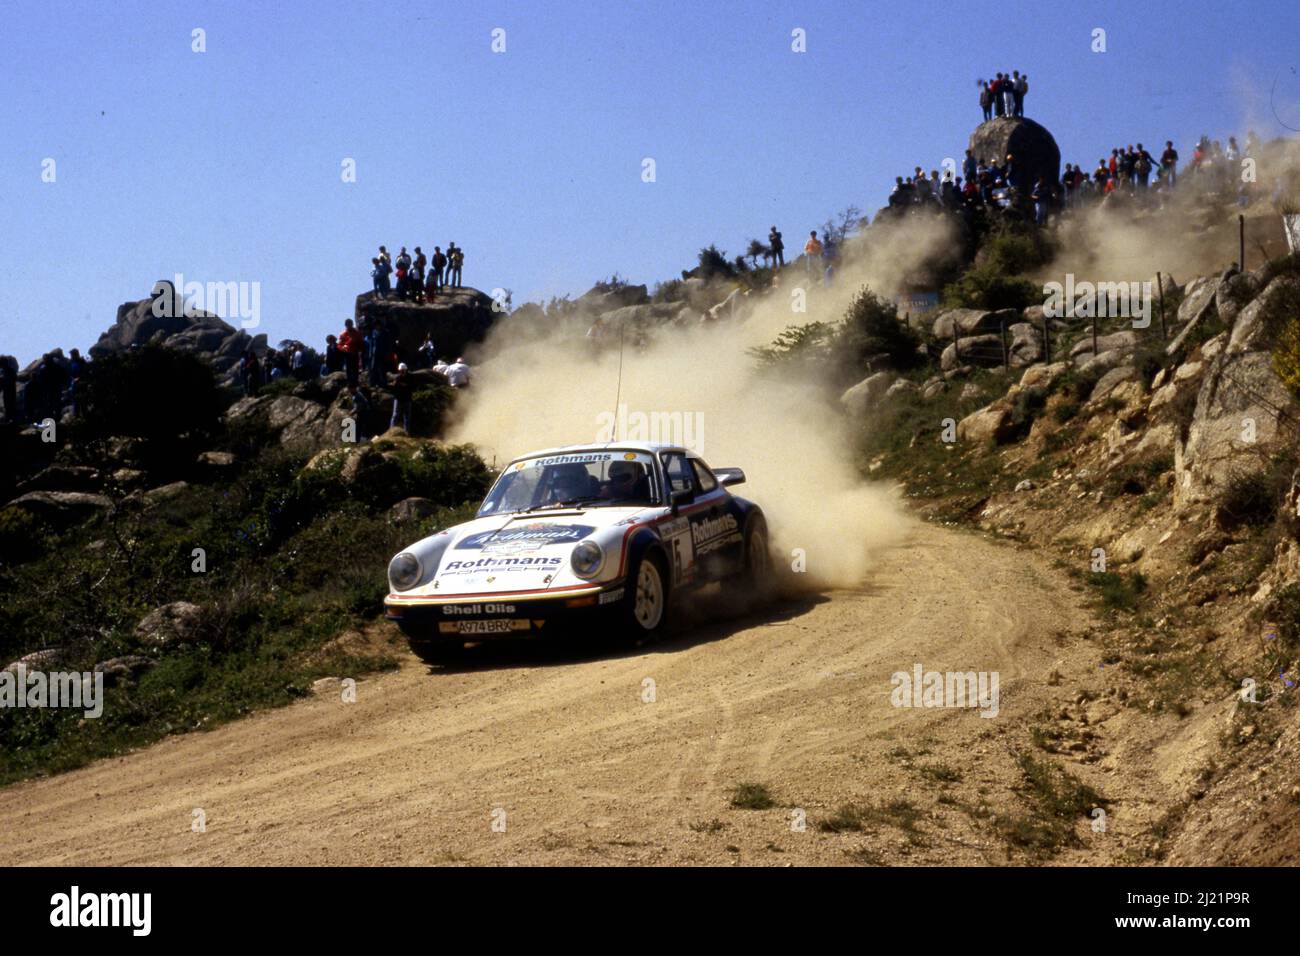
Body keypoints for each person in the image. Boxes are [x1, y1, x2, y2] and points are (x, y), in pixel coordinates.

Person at [389, 363, 413, 432]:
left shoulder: (410, 378)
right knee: (395, 415)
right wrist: (395, 385)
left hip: (407, 399)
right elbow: (393, 388)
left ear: (406, 370)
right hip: (398, 399)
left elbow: (413, 387)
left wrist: (406, 386)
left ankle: (406, 432)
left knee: (407, 417)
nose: (402, 372)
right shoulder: (397, 378)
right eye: (401, 370)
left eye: (403, 370)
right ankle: (391, 431)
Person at [339, 318, 362, 389]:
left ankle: (356, 382)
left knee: (355, 368)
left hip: (355, 353)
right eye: (347, 324)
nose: (349, 325)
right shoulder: (343, 334)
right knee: (348, 369)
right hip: (347, 354)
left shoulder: (357, 333)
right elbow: (340, 344)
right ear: (346, 325)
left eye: (350, 324)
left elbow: (360, 342)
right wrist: (343, 348)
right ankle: (350, 383)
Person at [0, 354, 18, 424]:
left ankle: (11, 419)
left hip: (9, 391)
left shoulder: (7, 371)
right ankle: (10, 419)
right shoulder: (8, 371)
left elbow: (10, 380)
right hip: (8, 391)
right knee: (9, 406)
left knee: (10, 406)